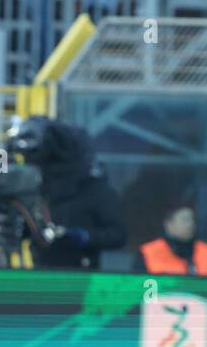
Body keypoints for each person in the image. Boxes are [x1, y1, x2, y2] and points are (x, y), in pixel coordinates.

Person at [8, 115, 128, 270]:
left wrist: (83, 237)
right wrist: (16, 226)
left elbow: (118, 235)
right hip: (41, 272)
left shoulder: (95, 189)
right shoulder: (37, 189)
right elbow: (30, 229)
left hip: (81, 275)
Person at [136, 205, 207, 276]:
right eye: (185, 220)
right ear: (169, 224)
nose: (190, 224)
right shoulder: (148, 253)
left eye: (192, 220)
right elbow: (136, 289)